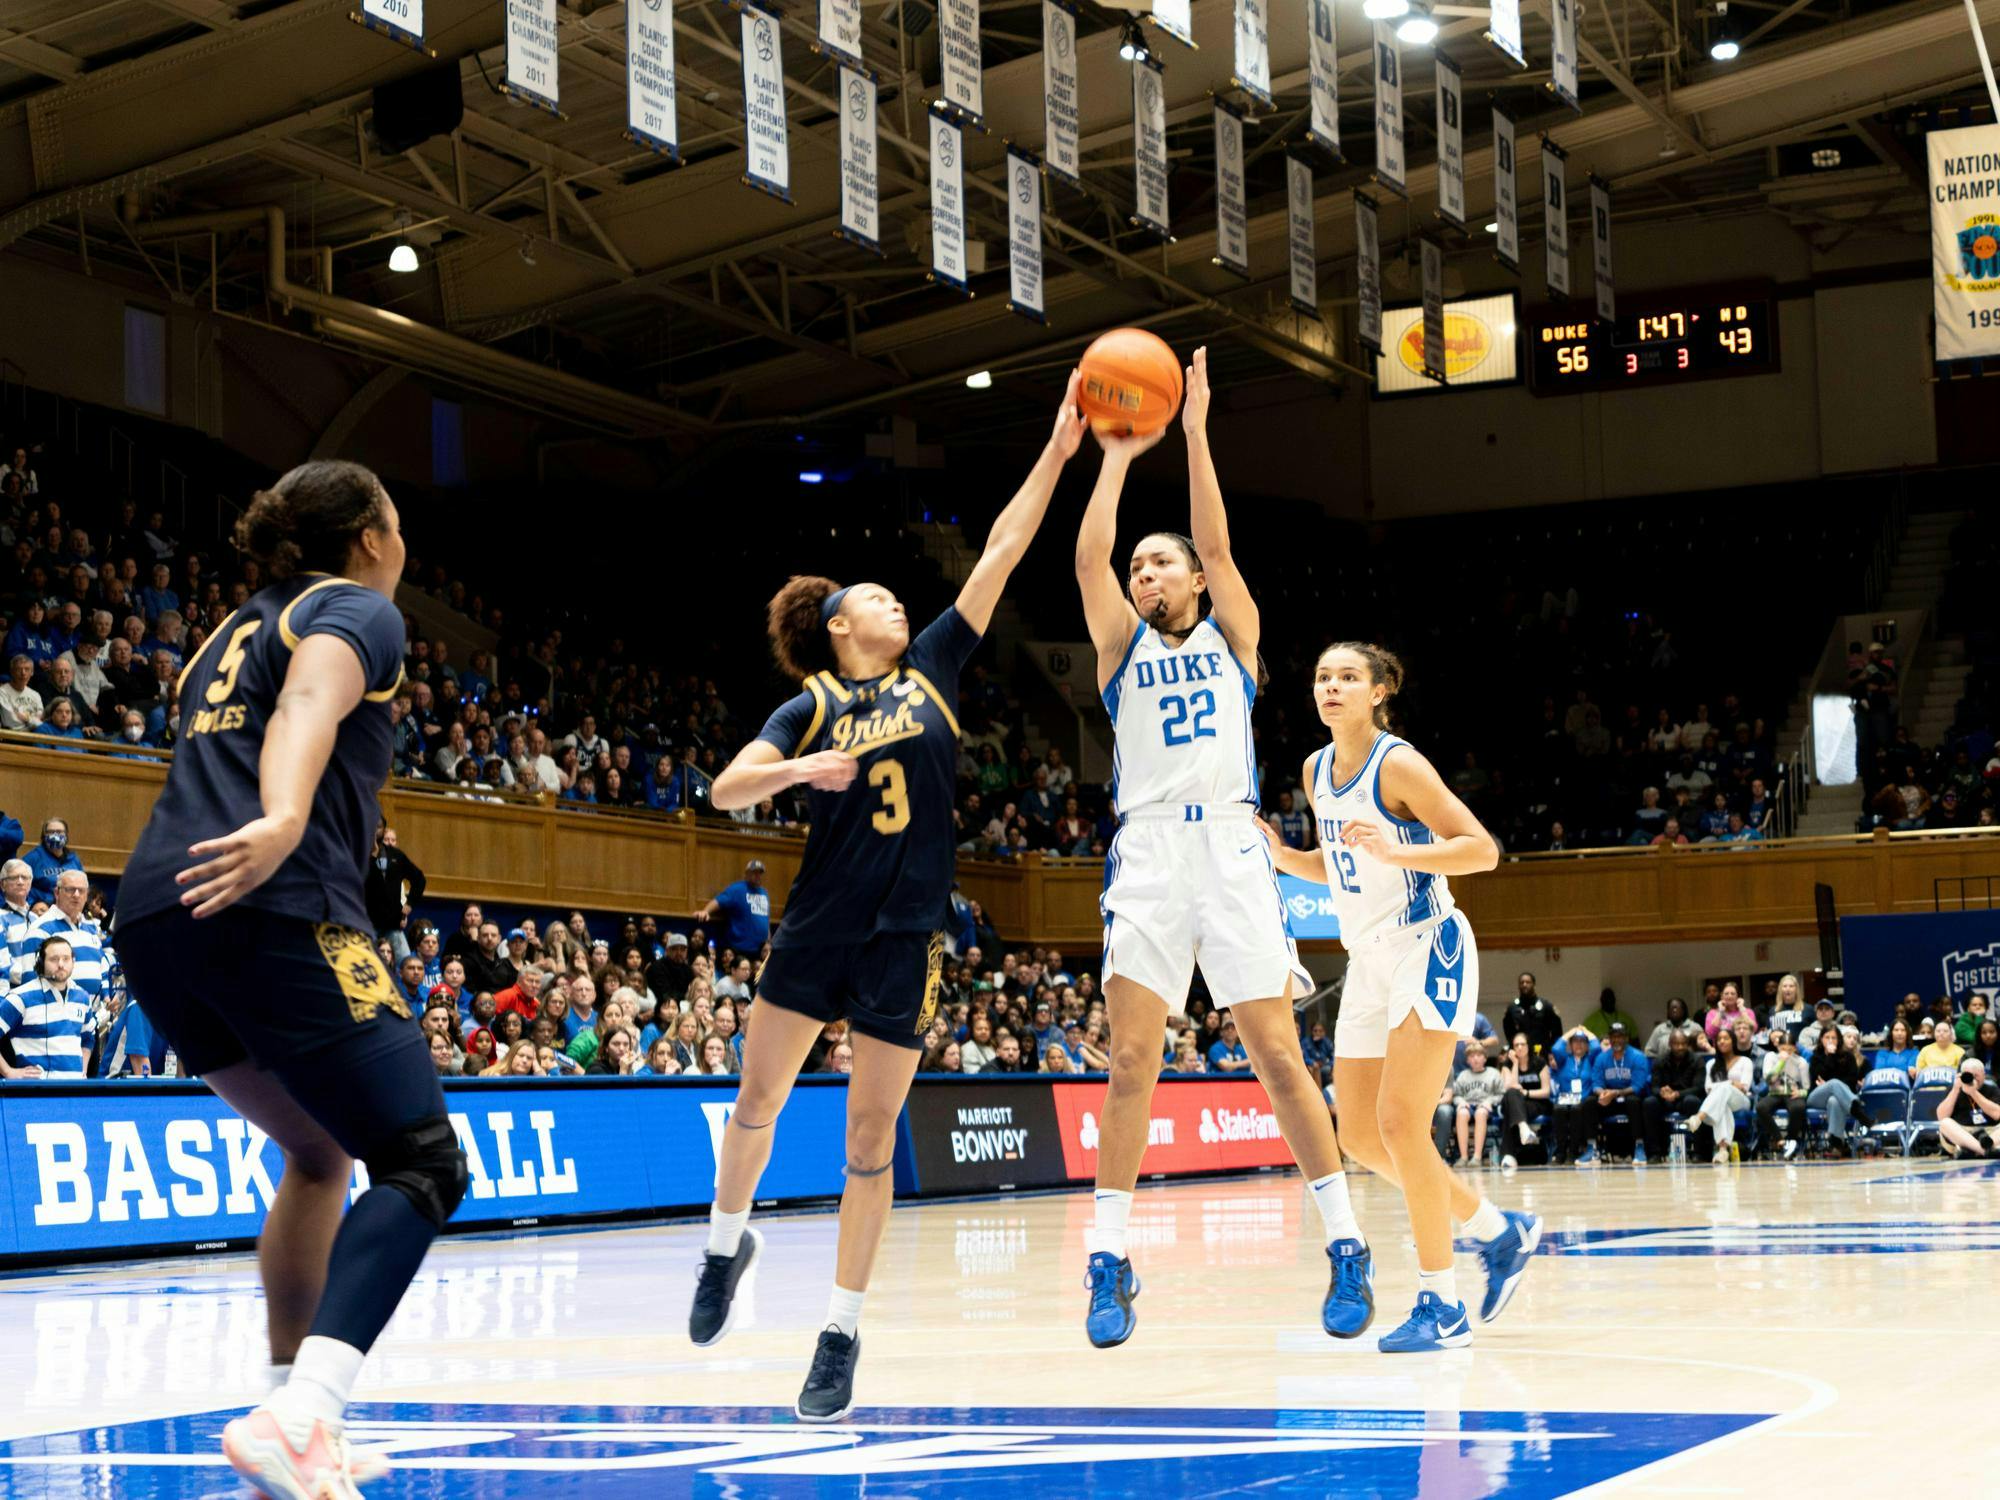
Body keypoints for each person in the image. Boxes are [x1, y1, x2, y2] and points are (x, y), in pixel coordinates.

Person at [684, 375, 1086, 1424]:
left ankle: (838, 1332)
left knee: (869, 1144)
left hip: (906, 935)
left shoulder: (939, 665)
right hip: (817, 925)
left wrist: (1054, 451)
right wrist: (797, 773)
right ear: (837, 626)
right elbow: (725, 790)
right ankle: (725, 1246)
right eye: (876, 599)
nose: (896, 604)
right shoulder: (807, 701)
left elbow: (999, 551)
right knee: (756, 1105)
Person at [110, 460, 465, 1499]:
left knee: (316, 1153)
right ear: (366, 537)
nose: (402, 545)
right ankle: (309, 1410)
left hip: (156, 917)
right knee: (424, 1161)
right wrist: (284, 818)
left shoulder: (223, 635)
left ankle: (285, 1410)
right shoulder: (356, 607)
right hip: (273, 898)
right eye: (397, 525)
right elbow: (310, 701)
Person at [1078, 348, 1368, 1353]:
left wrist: (1195, 430)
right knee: (1128, 1062)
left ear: (1194, 578)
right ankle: (1109, 1259)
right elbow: (1082, 562)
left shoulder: (1231, 634)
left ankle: (1343, 1242)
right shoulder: (1122, 650)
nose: (1139, 573)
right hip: (1149, 855)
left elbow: (1214, 536)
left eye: (1156, 564)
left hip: (1230, 850)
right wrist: (1114, 458)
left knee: (1277, 1055)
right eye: (1135, 568)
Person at [1261, 639, 1537, 1353]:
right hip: (1368, 958)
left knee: (1401, 1126)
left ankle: (1440, 1305)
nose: (1332, 687)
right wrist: (1287, 859)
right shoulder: (1316, 768)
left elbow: (1480, 849)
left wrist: (1398, 850)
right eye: (1323, 676)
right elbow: (1345, 863)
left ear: (1380, 691)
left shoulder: (1400, 763)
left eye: (1348, 677)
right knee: (1357, 1135)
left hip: (1428, 942)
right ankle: (1495, 1230)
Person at [1581, 1022, 1651, 1161]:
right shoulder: (1602, 1058)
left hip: (1628, 1099)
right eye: (1613, 1036)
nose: (1616, 1040)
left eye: (1620, 1036)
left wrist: (1616, 1093)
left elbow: (1638, 1086)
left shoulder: (1638, 1057)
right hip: (1609, 1100)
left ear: (1626, 1038)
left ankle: (1639, 1147)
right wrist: (1602, 1094)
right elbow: (1596, 1083)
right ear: (1610, 1038)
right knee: (1589, 1102)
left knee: (1634, 1101)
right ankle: (1591, 1148)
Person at [1690, 1028, 1756, 1163]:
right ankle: (1722, 1150)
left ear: (1733, 1041)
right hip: (1720, 1102)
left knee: (1724, 1089)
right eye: (1719, 1039)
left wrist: (1727, 1084)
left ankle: (1699, 1117)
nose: (1722, 1041)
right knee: (1723, 1103)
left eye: (1726, 1038)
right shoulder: (1711, 1064)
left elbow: (1744, 1087)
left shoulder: (1745, 1061)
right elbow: (1708, 1088)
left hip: (1741, 1101)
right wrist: (1732, 1082)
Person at [1438, 1045, 1507, 1166]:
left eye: (1479, 1055)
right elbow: (1456, 1095)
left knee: (1480, 1113)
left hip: (1486, 1107)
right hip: (1468, 1106)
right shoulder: (1463, 1075)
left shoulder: (1494, 1073)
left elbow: (1501, 1094)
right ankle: (1464, 1157)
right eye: (1472, 1056)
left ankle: (1477, 1156)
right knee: (1461, 1113)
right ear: (1468, 1060)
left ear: (1485, 1058)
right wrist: (1461, 1102)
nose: (1475, 1059)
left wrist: (1489, 1101)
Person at [1642, 1029, 1703, 1159]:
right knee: (1649, 1103)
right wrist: (1662, 1092)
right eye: (1676, 1044)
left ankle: (1698, 1152)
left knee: (1693, 1101)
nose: (1680, 1047)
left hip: (1685, 1098)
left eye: (1683, 1044)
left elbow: (1699, 1088)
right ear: (1670, 1044)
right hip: (1665, 1100)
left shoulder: (1697, 1060)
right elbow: (1654, 1087)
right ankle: (1655, 1153)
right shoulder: (1659, 1061)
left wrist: (1677, 1094)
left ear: (1687, 1044)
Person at [1496, 1033, 1551, 1169]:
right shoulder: (1507, 1065)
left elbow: (1546, 1091)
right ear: (1512, 1048)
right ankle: (1523, 1128)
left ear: (1528, 1046)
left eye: (1522, 1044)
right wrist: (1515, 1064)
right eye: (1516, 1045)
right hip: (1514, 1102)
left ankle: (1508, 1155)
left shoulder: (1540, 1063)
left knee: (1511, 1110)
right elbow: (1511, 1087)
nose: (1519, 1047)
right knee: (1512, 1095)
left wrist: (1526, 1093)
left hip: (1535, 1102)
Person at [697, 859, 772, 959]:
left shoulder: (764, 893)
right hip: (740, 949)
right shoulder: (737, 889)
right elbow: (719, 901)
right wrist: (706, 911)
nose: (758, 875)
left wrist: (768, 940)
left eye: (760, 873)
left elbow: (766, 919)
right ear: (747, 874)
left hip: (760, 950)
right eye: (754, 872)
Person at [1755, 1029, 1812, 1159]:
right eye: (1783, 1049)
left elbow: (1807, 1087)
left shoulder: (1801, 1062)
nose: (1786, 1052)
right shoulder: (1770, 1057)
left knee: (1798, 1107)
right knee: (1761, 1107)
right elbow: (1769, 1080)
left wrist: (1801, 1092)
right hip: (1775, 1092)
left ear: (1795, 1048)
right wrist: (1781, 1062)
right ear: (1778, 1047)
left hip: (1792, 1093)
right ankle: (1779, 1139)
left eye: (1790, 1049)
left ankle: (1791, 1140)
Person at [1935, 1059, 2000, 1156]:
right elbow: (1941, 1116)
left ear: (1984, 1075)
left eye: (1976, 1076)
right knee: (1945, 1123)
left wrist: (1974, 1093)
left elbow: (1997, 1114)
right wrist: (1955, 1090)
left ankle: (1972, 1150)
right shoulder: (1954, 1090)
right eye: (1969, 1075)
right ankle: (1984, 1151)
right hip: (1963, 1133)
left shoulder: (1992, 1089)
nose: (1973, 1079)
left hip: (1989, 1134)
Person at [1502, 973, 1562, 1060]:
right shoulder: (1512, 1007)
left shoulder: (1545, 1006)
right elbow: (1508, 1031)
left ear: (1534, 984)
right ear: (1518, 986)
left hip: (1542, 1053)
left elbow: (1557, 1031)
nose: (1524, 985)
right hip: (1520, 1053)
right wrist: (1513, 1046)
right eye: (1522, 982)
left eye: (1528, 982)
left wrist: (1551, 1050)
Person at [1643, 997, 1707, 1061]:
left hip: (1691, 1066)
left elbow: (1705, 1049)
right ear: (1668, 1011)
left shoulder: (1695, 1027)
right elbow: (1648, 1052)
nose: (1674, 1010)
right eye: (1671, 1008)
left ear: (1683, 1010)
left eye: (1677, 1008)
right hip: (1665, 1067)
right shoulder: (1660, 1029)